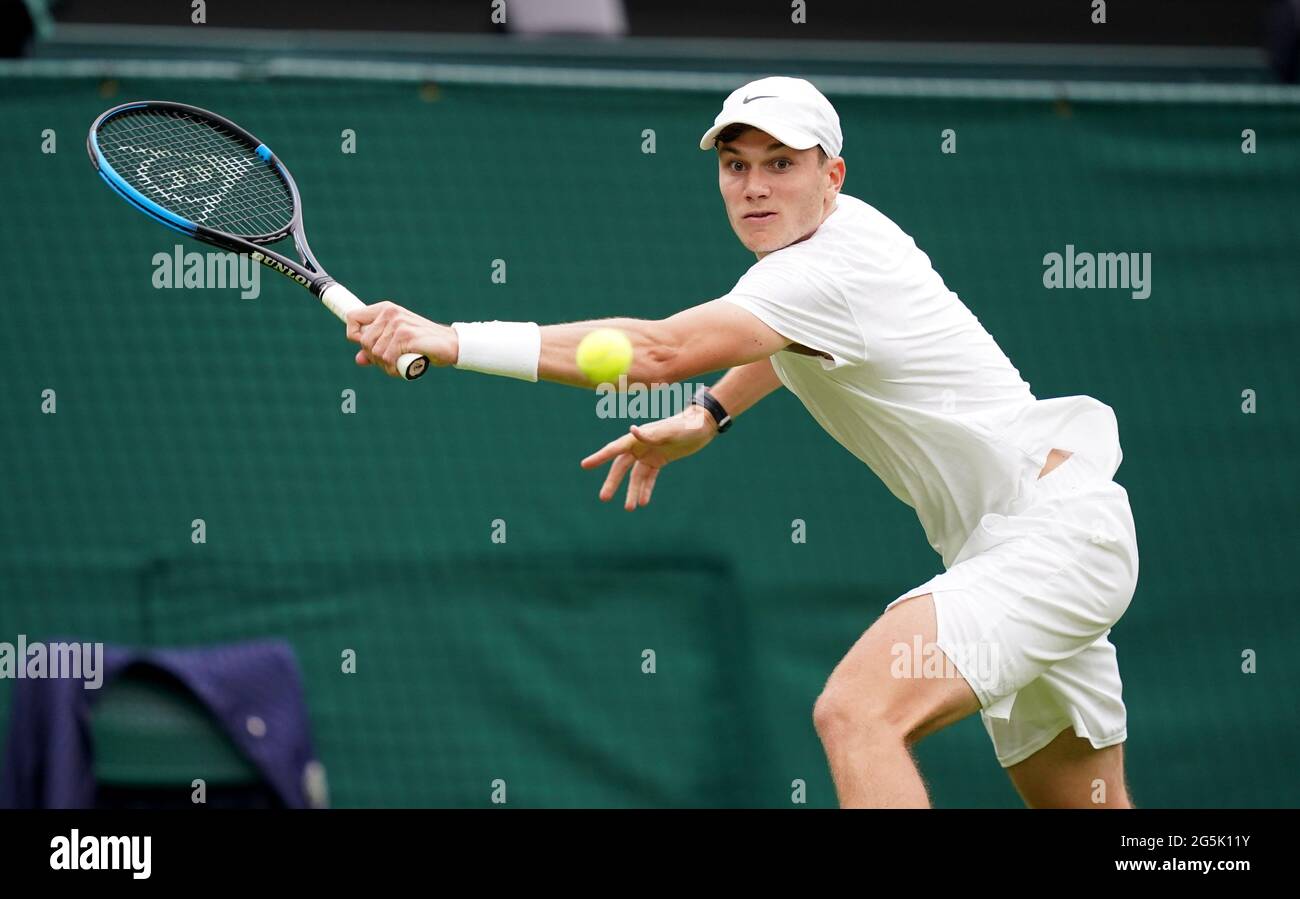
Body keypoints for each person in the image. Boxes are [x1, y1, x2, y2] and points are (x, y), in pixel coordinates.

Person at [345, 76, 1140, 809]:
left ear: (832, 175)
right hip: (1034, 542)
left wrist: (450, 338)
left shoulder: (824, 270)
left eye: (781, 164)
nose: (754, 186)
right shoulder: (830, 251)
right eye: (735, 164)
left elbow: (656, 351)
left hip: (1053, 539)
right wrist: (709, 414)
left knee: (857, 712)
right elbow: (789, 344)